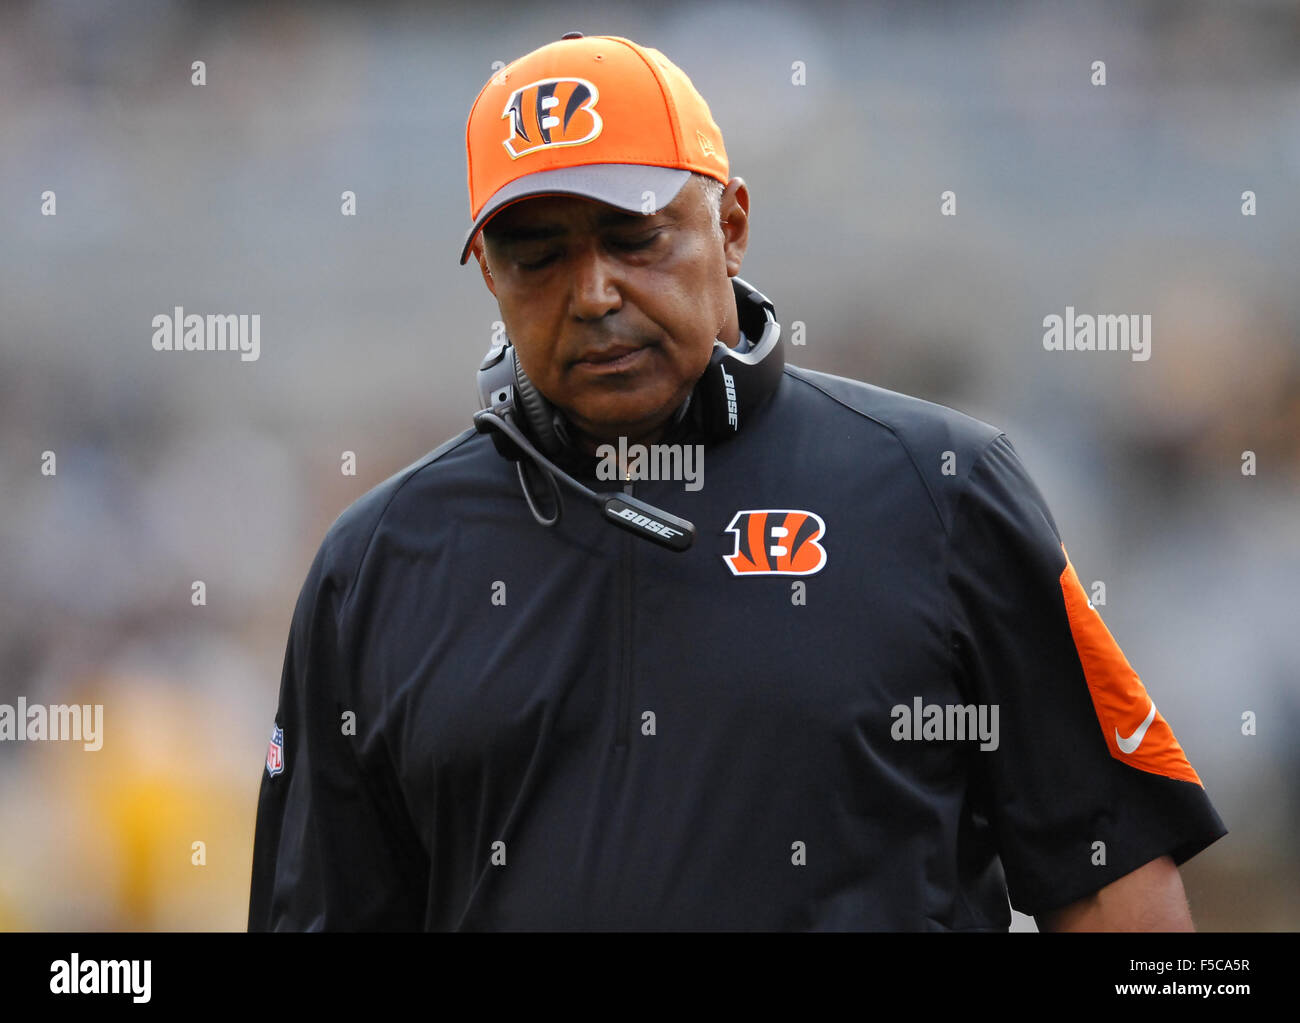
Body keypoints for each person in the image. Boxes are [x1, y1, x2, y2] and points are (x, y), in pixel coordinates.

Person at [247, 33, 1226, 931]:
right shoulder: (376, 564)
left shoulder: (937, 489)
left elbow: (1111, 882)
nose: (592, 294)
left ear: (732, 224)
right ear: (488, 278)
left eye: (635, 239)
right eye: (536, 255)